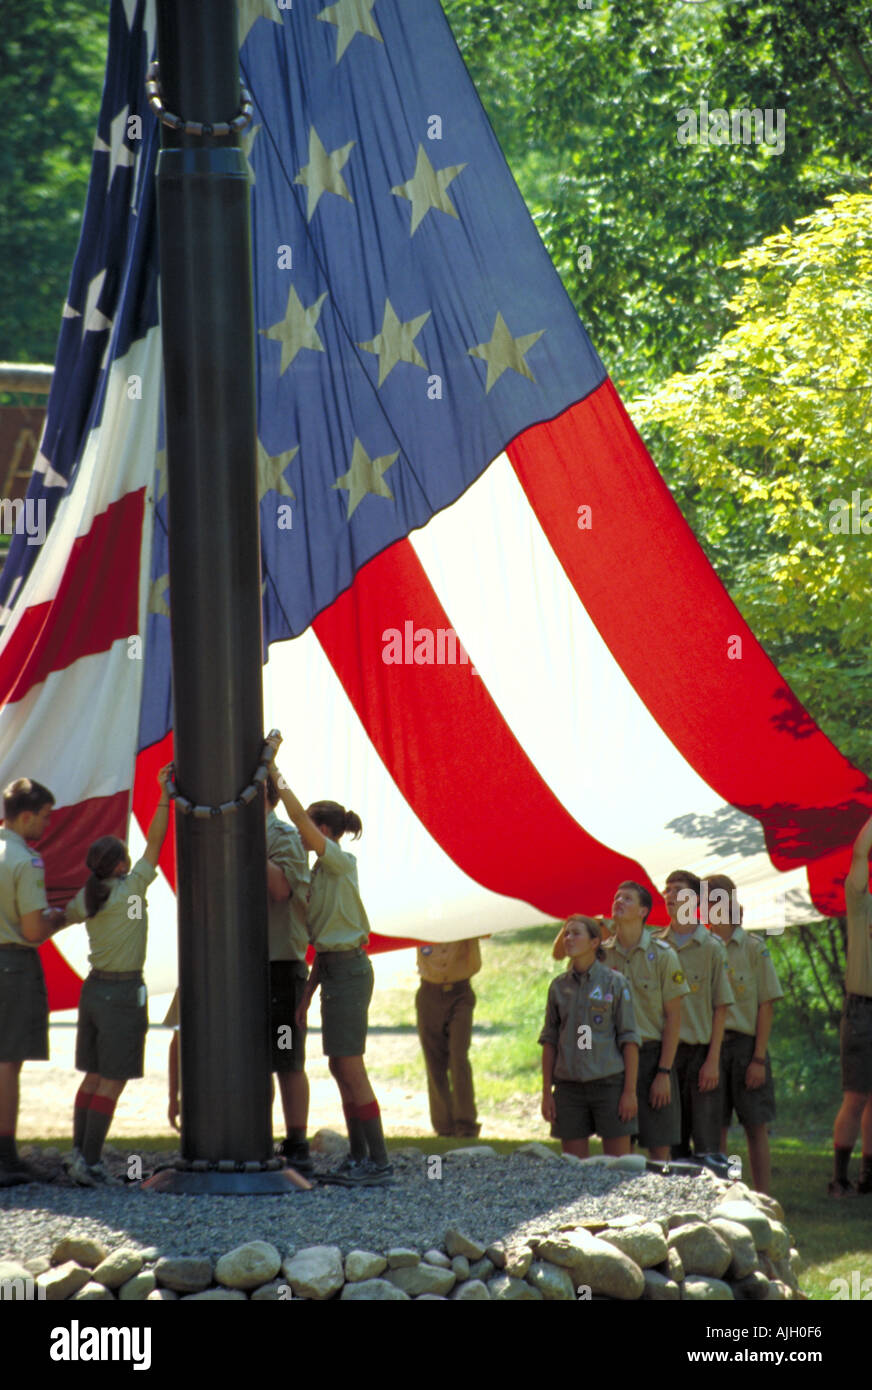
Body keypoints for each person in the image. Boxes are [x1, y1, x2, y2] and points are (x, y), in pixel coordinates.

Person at [267, 734, 392, 1187]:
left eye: (308, 831)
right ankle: (359, 1158)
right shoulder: (320, 877)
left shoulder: (339, 862)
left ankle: (378, 1162)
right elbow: (321, 946)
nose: (301, 836)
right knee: (340, 1066)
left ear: (326, 832)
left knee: (350, 1065)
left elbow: (297, 817)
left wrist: (273, 771)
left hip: (351, 970)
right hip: (336, 969)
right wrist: (304, 1000)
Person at [62, 766, 172, 1186]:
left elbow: (58, 918)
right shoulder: (132, 890)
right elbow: (157, 841)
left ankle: (78, 1154)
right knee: (113, 1079)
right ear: (122, 864)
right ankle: (89, 1163)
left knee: (92, 1076)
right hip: (124, 993)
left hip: (93, 990)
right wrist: (164, 796)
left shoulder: (86, 897)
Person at [554, 882, 689, 1162]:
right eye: (616, 897)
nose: (618, 901)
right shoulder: (599, 954)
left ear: (643, 911)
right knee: (619, 1153)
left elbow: (674, 1017)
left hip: (652, 1059)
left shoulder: (664, 956)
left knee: (658, 1147)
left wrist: (664, 1071)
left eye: (627, 899)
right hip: (611, 1060)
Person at [0, 777, 68, 1185]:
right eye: (43, 817)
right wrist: (59, 917)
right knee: (8, 1062)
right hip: (13, 965)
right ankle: (5, 1155)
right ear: (25, 817)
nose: (46, 824)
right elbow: (32, 930)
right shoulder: (26, 861)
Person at [706, 873, 782, 1194]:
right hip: (710, 1048)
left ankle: (764, 1196)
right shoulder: (701, 948)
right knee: (717, 1128)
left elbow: (766, 1004)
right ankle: (729, 1190)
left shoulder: (753, 948)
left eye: (715, 899)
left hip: (746, 1047)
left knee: (755, 1126)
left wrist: (758, 1058)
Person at [540, 915, 640, 1158]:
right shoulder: (558, 987)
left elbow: (629, 1040)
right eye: (566, 934)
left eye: (576, 933)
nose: (569, 939)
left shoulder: (615, 983)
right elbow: (550, 1041)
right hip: (569, 1088)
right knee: (574, 1170)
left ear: (595, 942)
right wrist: (546, 1093)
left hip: (608, 1084)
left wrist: (629, 1092)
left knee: (618, 1170)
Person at [661, 868, 734, 1160]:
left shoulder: (713, 948)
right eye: (667, 891)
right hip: (664, 1056)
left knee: (706, 1146)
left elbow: (721, 1008)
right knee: (669, 1143)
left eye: (678, 890)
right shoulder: (655, 947)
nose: (671, 896)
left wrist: (713, 1061)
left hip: (701, 1054)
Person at [265, 773, 313, 1175]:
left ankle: (297, 1144)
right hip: (244, 971)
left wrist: (247, 843)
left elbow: (280, 890)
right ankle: (256, 1138)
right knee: (252, 1060)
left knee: (287, 1059)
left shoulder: (284, 836)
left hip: (281, 969)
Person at [830, 811, 872, 1197]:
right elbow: (860, 855)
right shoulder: (862, 904)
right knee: (857, 1095)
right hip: (863, 1011)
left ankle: (867, 1177)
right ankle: (839, 1177)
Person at [415, 937, 483, 1138]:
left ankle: (466, 1124)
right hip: (429, 991)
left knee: (458, 1056)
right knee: (434, 1059)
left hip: (460, 992)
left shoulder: (465, 916)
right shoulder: (422, 919)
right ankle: (443, 1125)